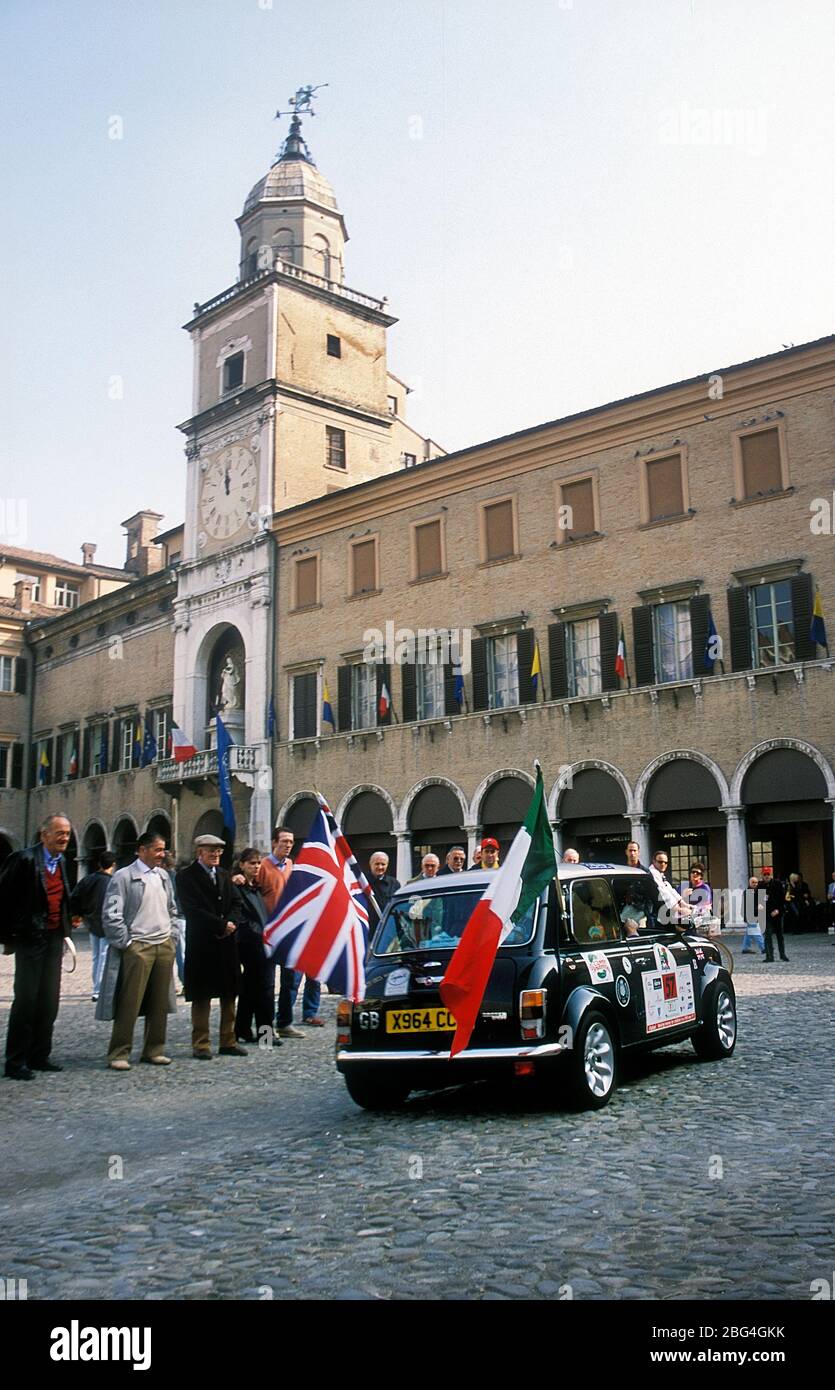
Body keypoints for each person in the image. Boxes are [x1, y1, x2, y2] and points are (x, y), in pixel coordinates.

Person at [97, 833, 180, 1070]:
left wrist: (172, 935)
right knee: (129, 1002)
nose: (161, 854)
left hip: (163, 944)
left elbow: (172, 908)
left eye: (163, 849)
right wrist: (127, 943)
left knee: (159, 1002)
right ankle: (119, 1052)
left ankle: (155, 1049)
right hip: (138, 946)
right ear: (141, 850)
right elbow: (111, 914)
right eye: (157, 849)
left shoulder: (164, 876)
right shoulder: (123, 877)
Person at [1, 813, 74, 1080]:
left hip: (54, 937)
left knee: (48, 999)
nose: (64, 838)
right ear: (44, 835)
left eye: (67, 833)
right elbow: (4, 897)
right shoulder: (24, 859)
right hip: (30, 936)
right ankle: (15, 1061)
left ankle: (39, 1055)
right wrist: (11, 935)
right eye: (59, 833)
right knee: (26, 1000)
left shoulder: (61, 861)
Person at [176, 834, 244, 1058]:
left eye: (218, 851)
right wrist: (221, 924)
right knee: (202, 995)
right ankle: (201, 1043)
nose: (215, 854)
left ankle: (228, 1040)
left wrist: (231, 922)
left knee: (229, 993)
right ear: (199, 852)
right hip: (203, 943)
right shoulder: (186, 877)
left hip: (226, 943)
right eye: (211, 850)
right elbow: (192, 909)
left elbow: (236, 901)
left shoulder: (225, 875)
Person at [232, 848, 278, 1046]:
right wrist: (261, 935)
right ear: (242, 865)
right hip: (251, 943)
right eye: (252, 863)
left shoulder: (255, 888)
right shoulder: (238, 888)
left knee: (251, 988)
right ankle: (265, 1035)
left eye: (258, 863)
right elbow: (242, 919)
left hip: (261, 941)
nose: (256, 866)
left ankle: (242, 1028)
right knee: (265, 989)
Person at [70, 850, 116, 1001]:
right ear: (113, 865)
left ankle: (96, 988)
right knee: (103, 957)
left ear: (99, 864)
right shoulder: (112, 882)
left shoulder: (88, 879)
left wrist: (78, 915)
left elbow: (75, 897)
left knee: (97, 957)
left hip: (91, 923)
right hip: (105, 924)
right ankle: (98, 990)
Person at [648, 851, 693, 928]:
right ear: (654, 861)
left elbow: (670, 889)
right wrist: (679, 909)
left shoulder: (660, 874)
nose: (663, 864)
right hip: (655, 913)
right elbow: (664, 894)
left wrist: (684, 904)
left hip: (664, 912)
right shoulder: (653, 873)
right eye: (660, 862)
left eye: (665, 862)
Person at [761, 868, 789, 962]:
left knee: (780, 935)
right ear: (762, 875)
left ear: (771, 875)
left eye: (768, 874)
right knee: (768, 936)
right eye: (765, 874)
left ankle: (782, 954)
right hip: (766, 914)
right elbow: (757, 898)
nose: (766, 876)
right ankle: (769, 956)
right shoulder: (761, 885)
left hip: (777, 913)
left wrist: (778, 910)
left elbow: (782, 898)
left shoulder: (777, 884)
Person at [741, 876, 766, 955]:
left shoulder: (755, 891)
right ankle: (764, 948)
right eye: (753, 882)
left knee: (749, 932)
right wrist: (757, 908)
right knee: (757, 932)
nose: (755, 884)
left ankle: (745, 948)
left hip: (753, 915)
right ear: (749, 883)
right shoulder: (747, 892)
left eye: (756, 882)